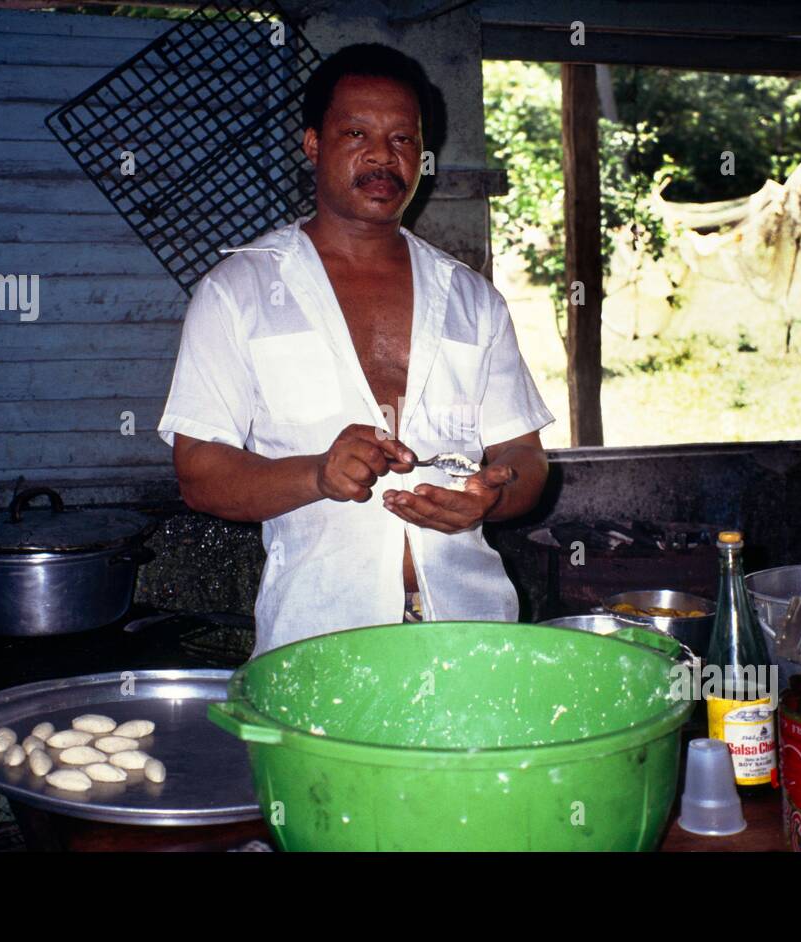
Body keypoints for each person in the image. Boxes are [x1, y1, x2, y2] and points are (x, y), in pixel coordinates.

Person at [158, 43, 553, 654]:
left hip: (474, 632)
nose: (381, 156)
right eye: (356, 133)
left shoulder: (473, 298)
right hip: (319, 635)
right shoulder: (239, 290)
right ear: (313, 144)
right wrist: (316, 474)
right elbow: (200, 476)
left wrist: (491, 498)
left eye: (402, 139)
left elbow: (523, 454)